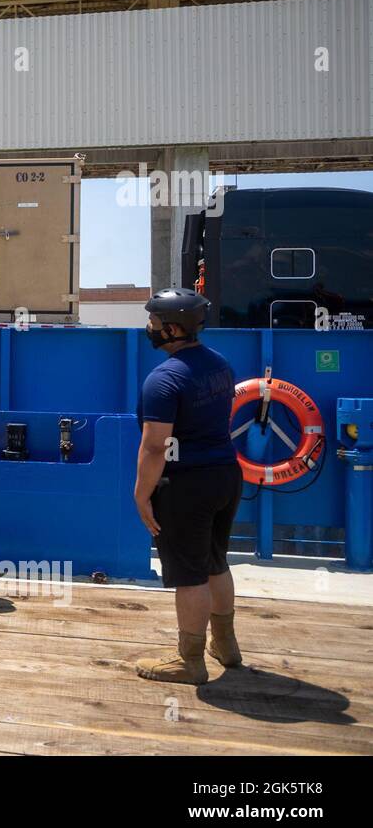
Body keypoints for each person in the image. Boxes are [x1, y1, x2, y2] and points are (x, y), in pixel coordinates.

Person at [134, 287, 243, 685]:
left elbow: (155, 445)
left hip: (187, 485)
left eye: (153, 321)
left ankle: (190, 660)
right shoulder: (221, 365)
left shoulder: (163, 380)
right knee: (215, 561)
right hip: (226, 476)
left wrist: (142, 494)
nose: (148, 327)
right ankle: (226, 645)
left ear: (173, 328)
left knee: (189, 574)